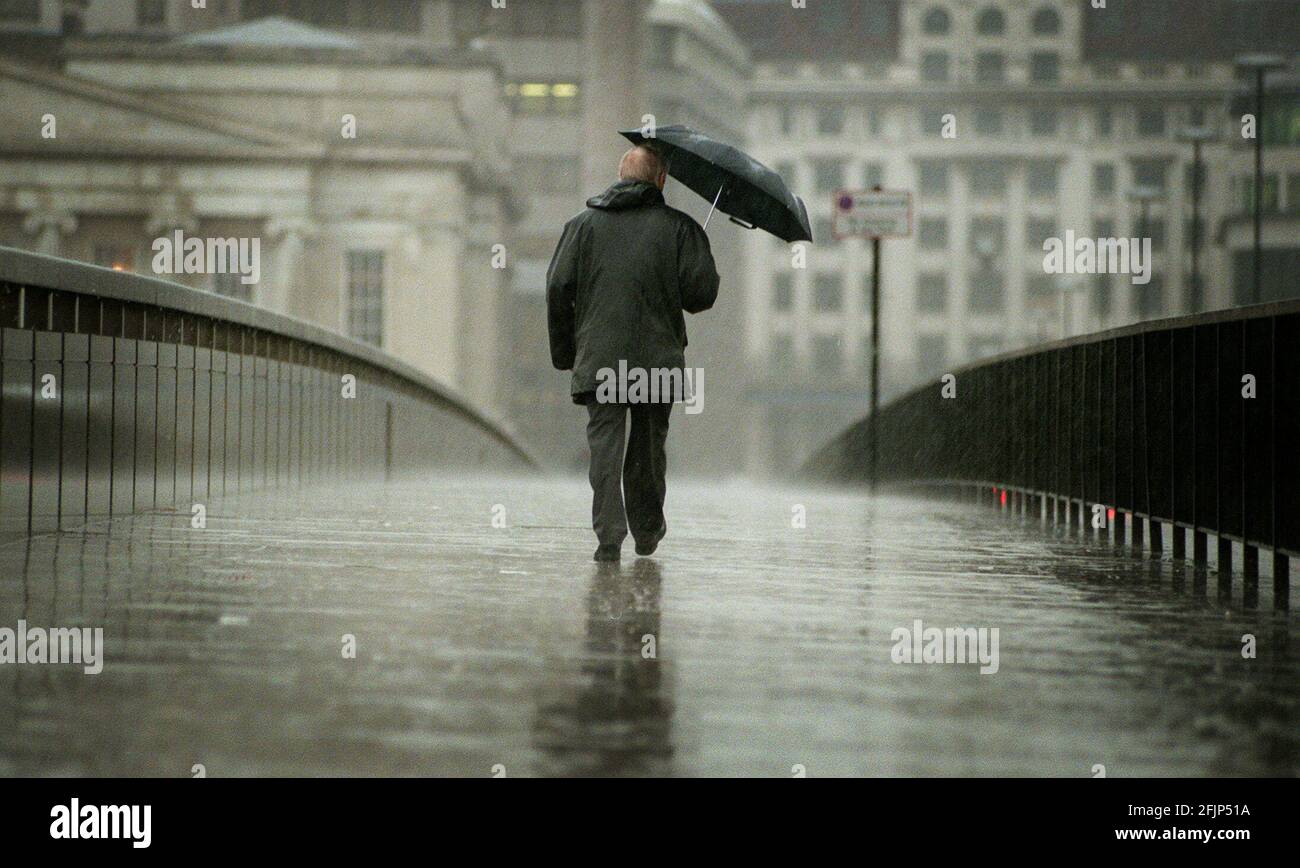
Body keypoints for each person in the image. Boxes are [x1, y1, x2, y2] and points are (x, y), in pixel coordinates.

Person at [546, 144, 719, 562]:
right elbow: (701, 297)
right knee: (647, 448)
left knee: (604, 445)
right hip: (656, 362)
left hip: (601, 358)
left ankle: (609, 535)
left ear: (620, 177)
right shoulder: (680, 229)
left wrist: (567, 352)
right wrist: (698, 257)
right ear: (660, 180)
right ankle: (647, 529)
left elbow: (557, 288)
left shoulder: (581, 226)